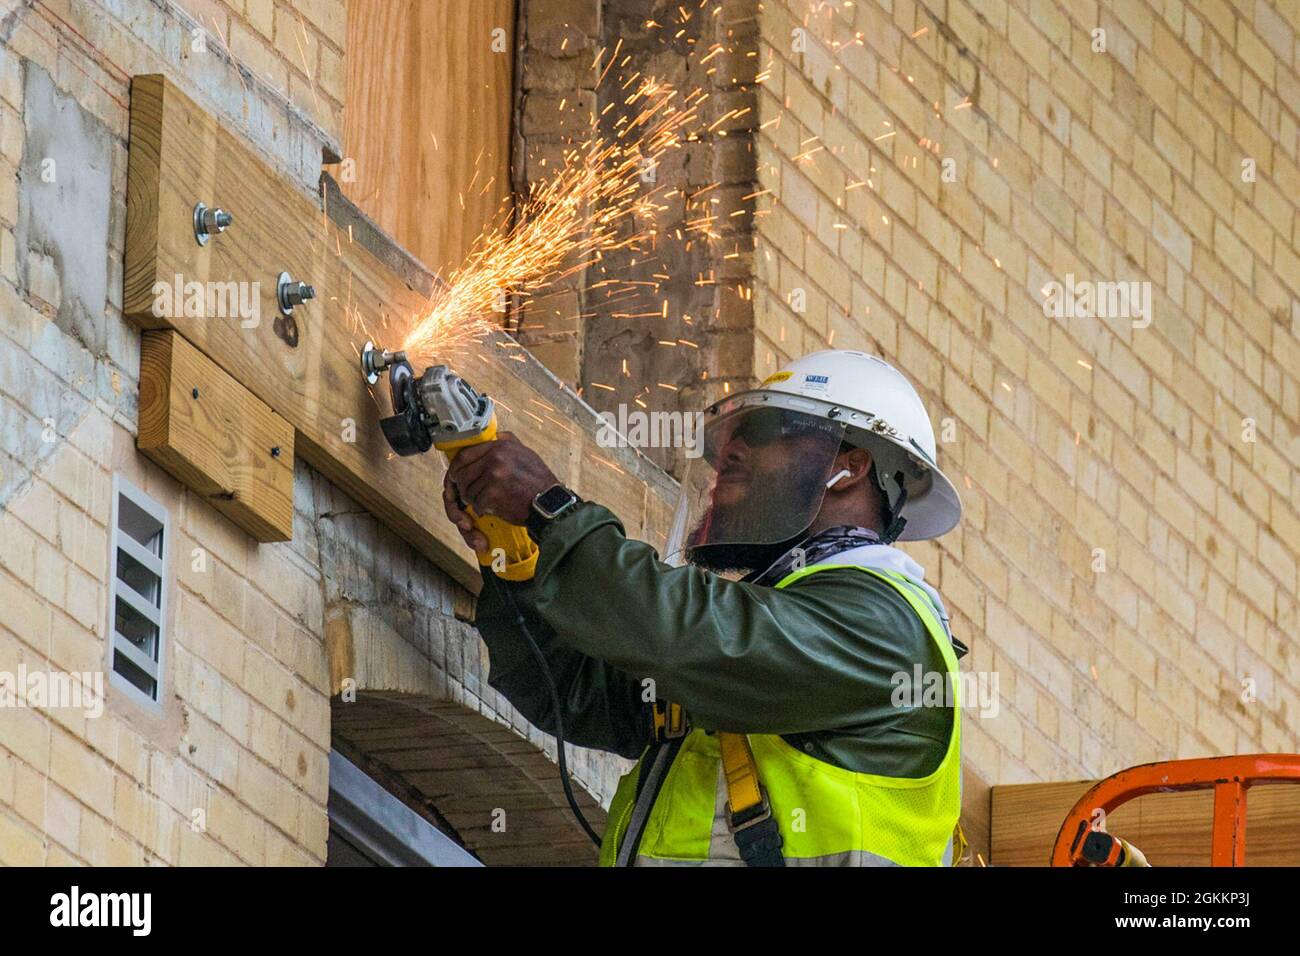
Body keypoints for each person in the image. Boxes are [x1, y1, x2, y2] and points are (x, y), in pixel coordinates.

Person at [442, 349, 966, 866]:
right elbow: (578, 691)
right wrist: (519, 553)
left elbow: (686, 635)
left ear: (848, 468)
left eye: (767, 433)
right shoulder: (758, 638)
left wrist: (550, 509)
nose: (732, 452)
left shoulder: (884, 624)